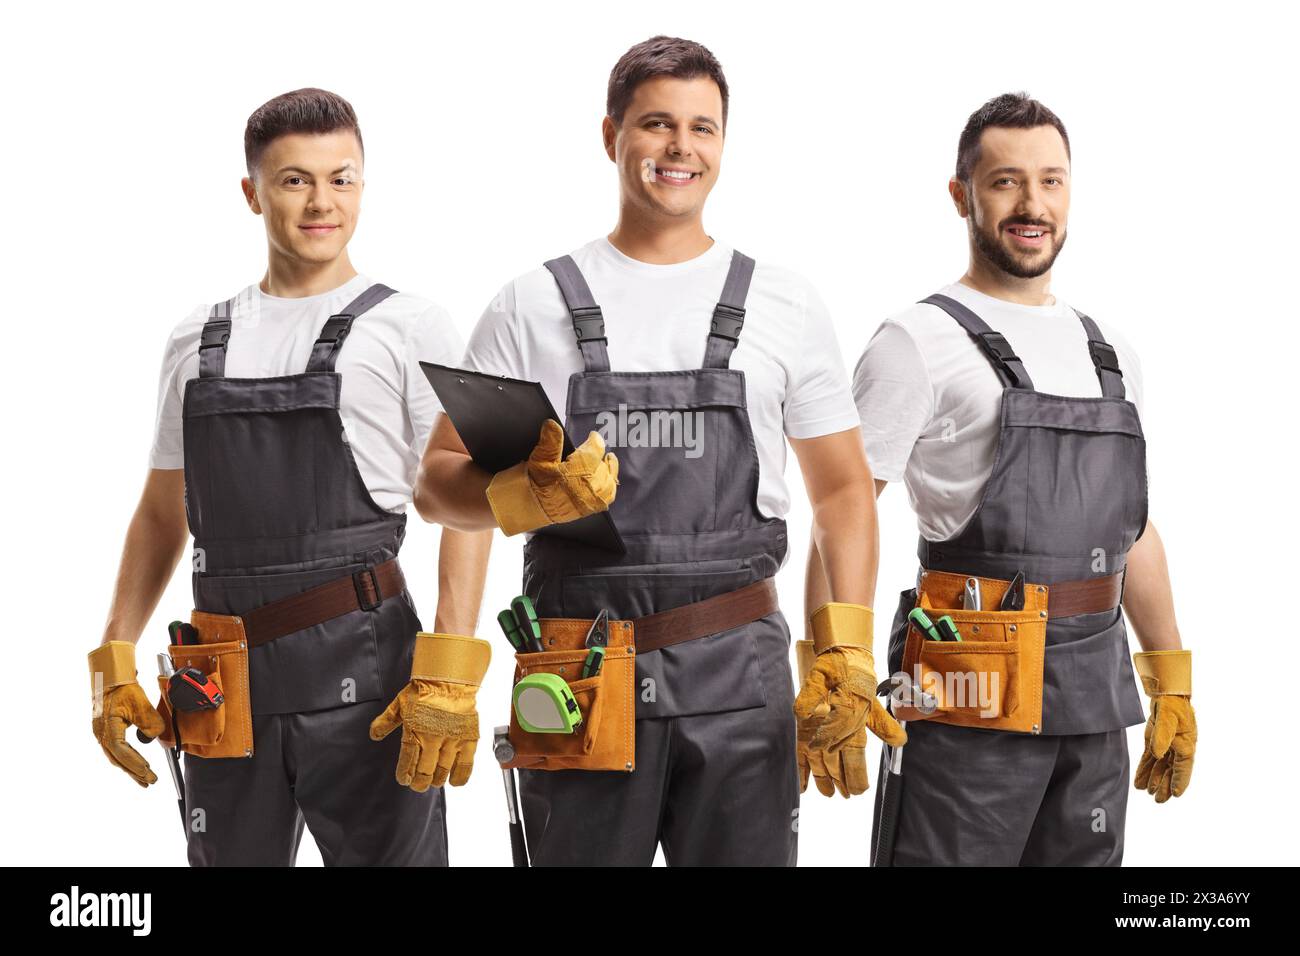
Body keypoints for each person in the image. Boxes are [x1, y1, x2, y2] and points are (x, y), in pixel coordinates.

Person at [415, 36, 901, 866]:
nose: (682, 148)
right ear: (612, 137)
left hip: (739, 680)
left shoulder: (783, 303)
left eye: (703, 128)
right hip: (576, 678)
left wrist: (843, 649)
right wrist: (520, 502)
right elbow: (436, 486)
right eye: (657, 125)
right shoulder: (529, 305)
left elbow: (846, 491)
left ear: (722, 144)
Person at [88, 88, 492, 866]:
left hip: (369, 678)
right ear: (252, 192)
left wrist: (449, 663)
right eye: (295, 180)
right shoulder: (195, 341)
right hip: (220, 687)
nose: (322, 202)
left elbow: (463, 499)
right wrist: (114, 654)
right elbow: (160, 514)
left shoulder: (409, 327)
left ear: (364, 186)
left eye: (341, 179)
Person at [811, 92, 1196, 866]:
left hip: (1092, 694)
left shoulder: (1108, 354)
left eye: (1051, 181)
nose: (1032, 205)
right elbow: (843, 508)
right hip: (965, 692)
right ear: (962, 195)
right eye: (1006, 181)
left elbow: (1132, 529)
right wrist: (835, 660)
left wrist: (1170, 677)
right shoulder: (916, 340)